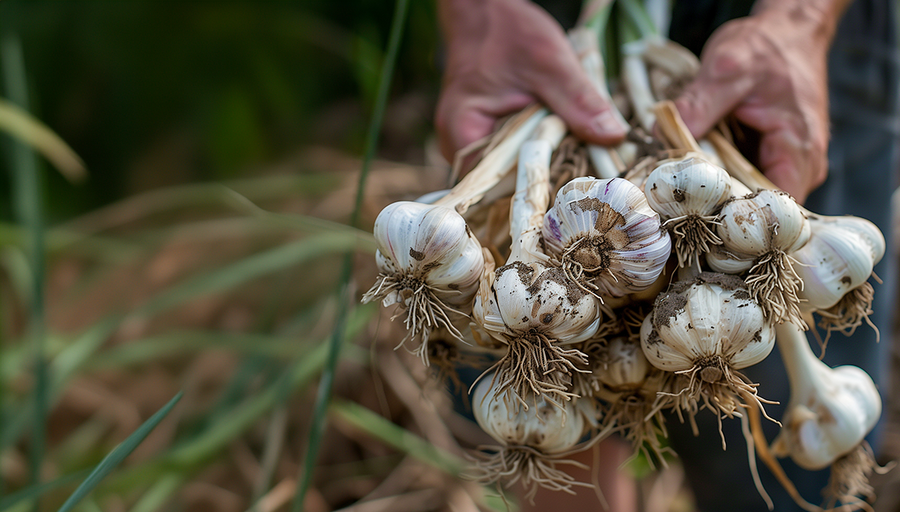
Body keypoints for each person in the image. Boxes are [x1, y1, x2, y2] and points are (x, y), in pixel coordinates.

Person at [436, 0, 899, 510]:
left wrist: (801, 20)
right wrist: (476, 12)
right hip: (522, 29)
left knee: (766, 445)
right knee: (555, 417)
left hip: (777, 30)